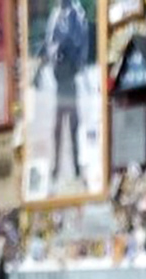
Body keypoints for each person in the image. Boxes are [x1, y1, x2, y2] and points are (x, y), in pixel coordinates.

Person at [43, 0, 89, 186]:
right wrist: (55, 56)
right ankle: (56, 169)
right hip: (60, 77)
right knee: (58, 127)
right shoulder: (55, 16)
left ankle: (77, 168)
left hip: (71, 76)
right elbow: (49, 41)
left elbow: (82, 42)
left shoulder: (77, 14)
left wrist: (77, 64)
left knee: (73, 125)